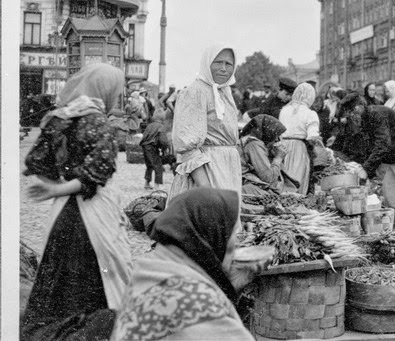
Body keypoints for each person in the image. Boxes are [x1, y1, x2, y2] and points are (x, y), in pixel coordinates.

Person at [22, 63, 132, 341]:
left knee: (60, 275)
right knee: (99, 273)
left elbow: (35, 161)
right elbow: (95, 175)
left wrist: (56, 186)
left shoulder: (60, 117)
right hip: (93, 213)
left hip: (64, 215)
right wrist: (58, 191)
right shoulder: (98, 122)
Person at [111, 188, 274, 341]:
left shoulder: (150, 268)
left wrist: (230, 284)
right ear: (210, 239)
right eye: (230, 243)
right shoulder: (198, 305)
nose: (234, 248)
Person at [338, 92, 395, 228]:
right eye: (350, 113)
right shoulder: (365, 120)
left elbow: (383, 144)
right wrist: (364, 166)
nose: (352, 116)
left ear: (360, 107)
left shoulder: (377, 114)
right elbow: (369, 146)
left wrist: (366, 169)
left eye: (353, 112)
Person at [170, 47, 242, 201]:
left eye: (229, 64)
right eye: (218, 62)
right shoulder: (196, 92)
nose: (223, 68)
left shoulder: (225, 93)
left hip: (227, 170)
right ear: (207, 63)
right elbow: (188, 147)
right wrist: (206, 189)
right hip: (207, 171)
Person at [278, 82, 322, 195]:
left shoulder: (284, 110)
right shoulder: (310, 113)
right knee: (297, 180)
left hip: (283, 147)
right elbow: (312, 136)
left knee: (284, 179)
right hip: (299, 149)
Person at [239, 115, 289, 196]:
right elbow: (268, 179)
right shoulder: (254, 145)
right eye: (276, 135)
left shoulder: (254, 142)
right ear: (268, 132)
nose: (276, 140)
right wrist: (278, 158)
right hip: (245, 185)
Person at [141, 109, 169, 190]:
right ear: (163, 118)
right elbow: (163, 141)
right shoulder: (161, 127)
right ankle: (157, 185)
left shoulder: (149, 125)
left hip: (145, 147)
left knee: (149, 165)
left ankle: (147, 182)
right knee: (158, 166)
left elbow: (144, 137)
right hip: (152, 147)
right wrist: (164, 148)